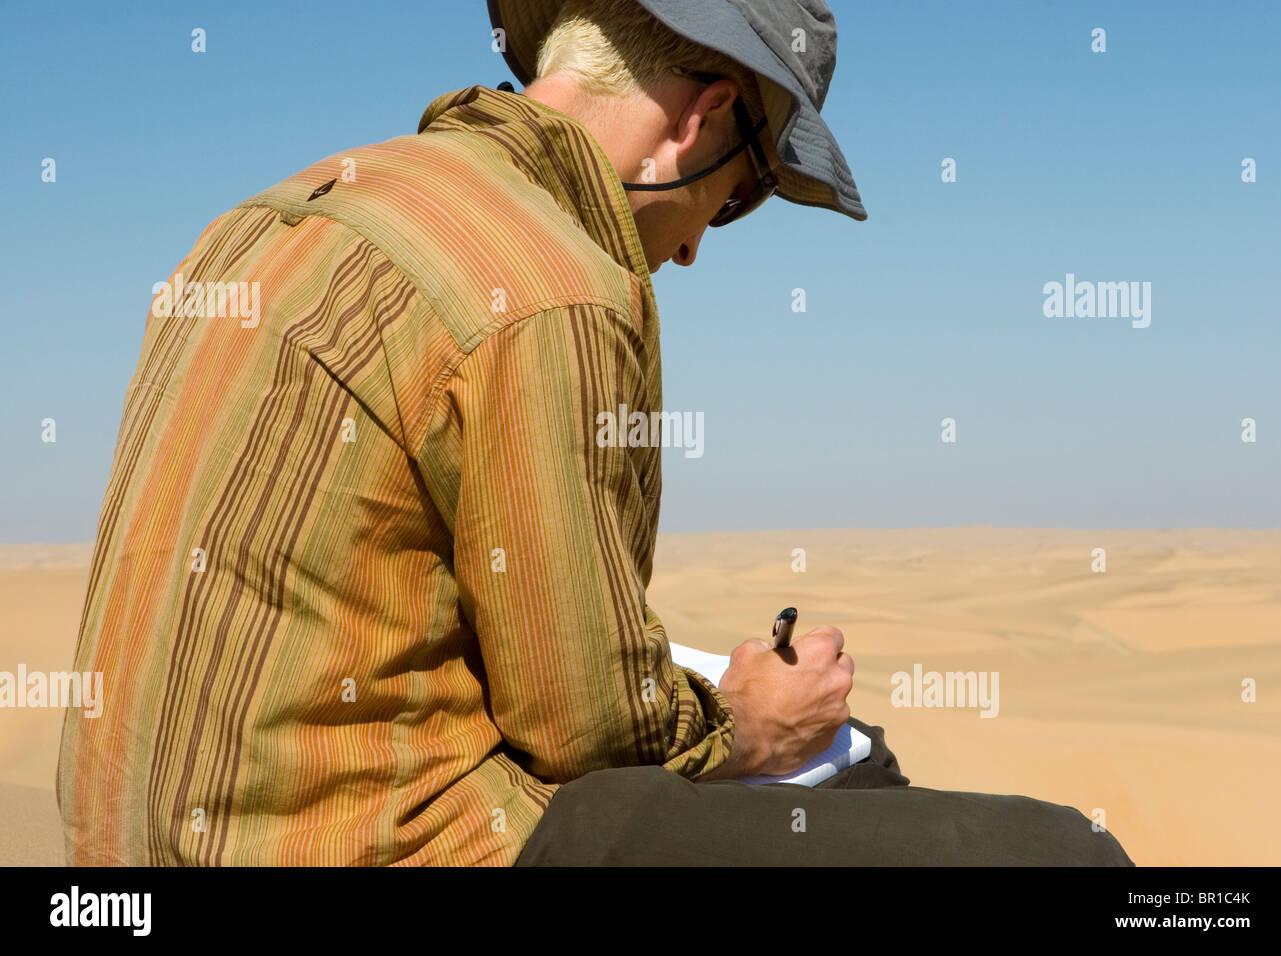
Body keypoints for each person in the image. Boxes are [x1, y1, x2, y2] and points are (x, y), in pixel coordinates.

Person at [56, 0, 1133, 866]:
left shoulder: (265, 217)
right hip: (376, 842)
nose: (702, 246)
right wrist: (755, 717)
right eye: (740, 197)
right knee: (1057, 848)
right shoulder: (552, 282)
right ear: (698, 119)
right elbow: (589, 731)